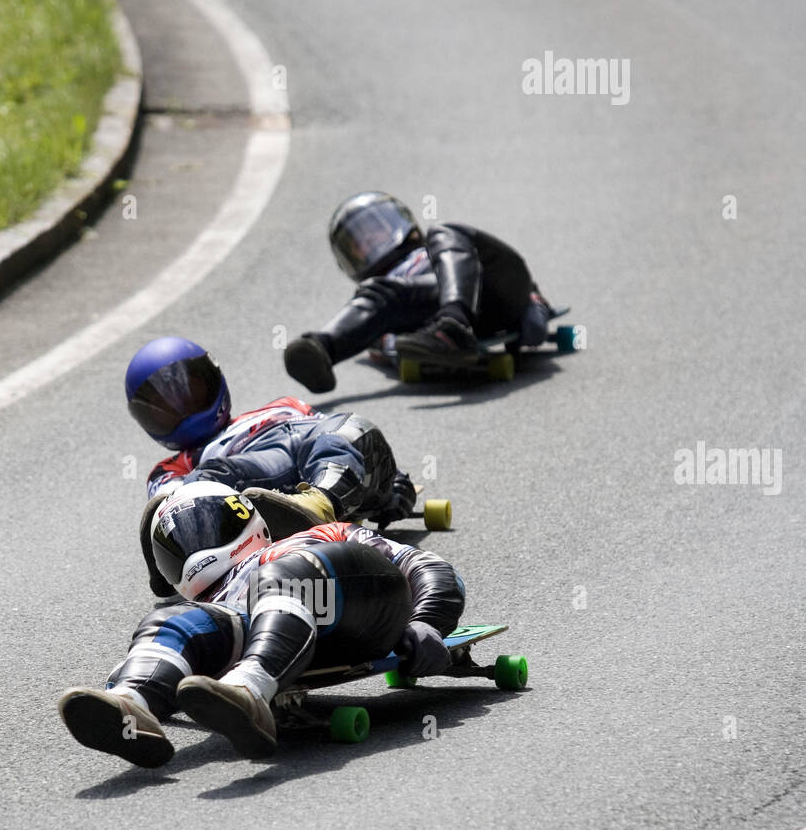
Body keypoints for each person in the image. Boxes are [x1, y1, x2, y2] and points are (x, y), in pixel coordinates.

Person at [58, 481, 465, 766]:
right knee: (168, 619)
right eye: (178, 543)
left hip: (361, 604)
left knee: (284, 575)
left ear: (239, 518)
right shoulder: (215, 602)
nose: (193, 546)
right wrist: (143, 669)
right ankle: (133, 707)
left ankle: (250, 690)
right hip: (273, 631)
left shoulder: (318, 535)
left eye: (201, 528)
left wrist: (428, 620)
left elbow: (427, 565)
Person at [124, 336, 417, 594]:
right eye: (167, 406)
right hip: (244, 481)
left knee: (347, 428)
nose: (183, 407)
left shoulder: (284, 406)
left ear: (214, 380)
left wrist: (393, 484)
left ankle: (317, 504)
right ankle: (273, 523)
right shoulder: (172, 467)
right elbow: (175, 506)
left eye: (192, 391)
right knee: (200, 483)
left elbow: (346, 443)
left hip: (312, 448)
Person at [283, 191, 553, 392]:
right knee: (376, 293)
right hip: (431, 312)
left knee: (444, 230)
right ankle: (321, 348)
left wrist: (536, 304)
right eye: (359, 243)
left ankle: (454, 324)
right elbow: (387, 341)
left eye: (374, 231)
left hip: (493, 289)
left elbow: (513, 277)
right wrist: (394, 348)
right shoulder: (385, 290)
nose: (370, 242)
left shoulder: (441, 245)